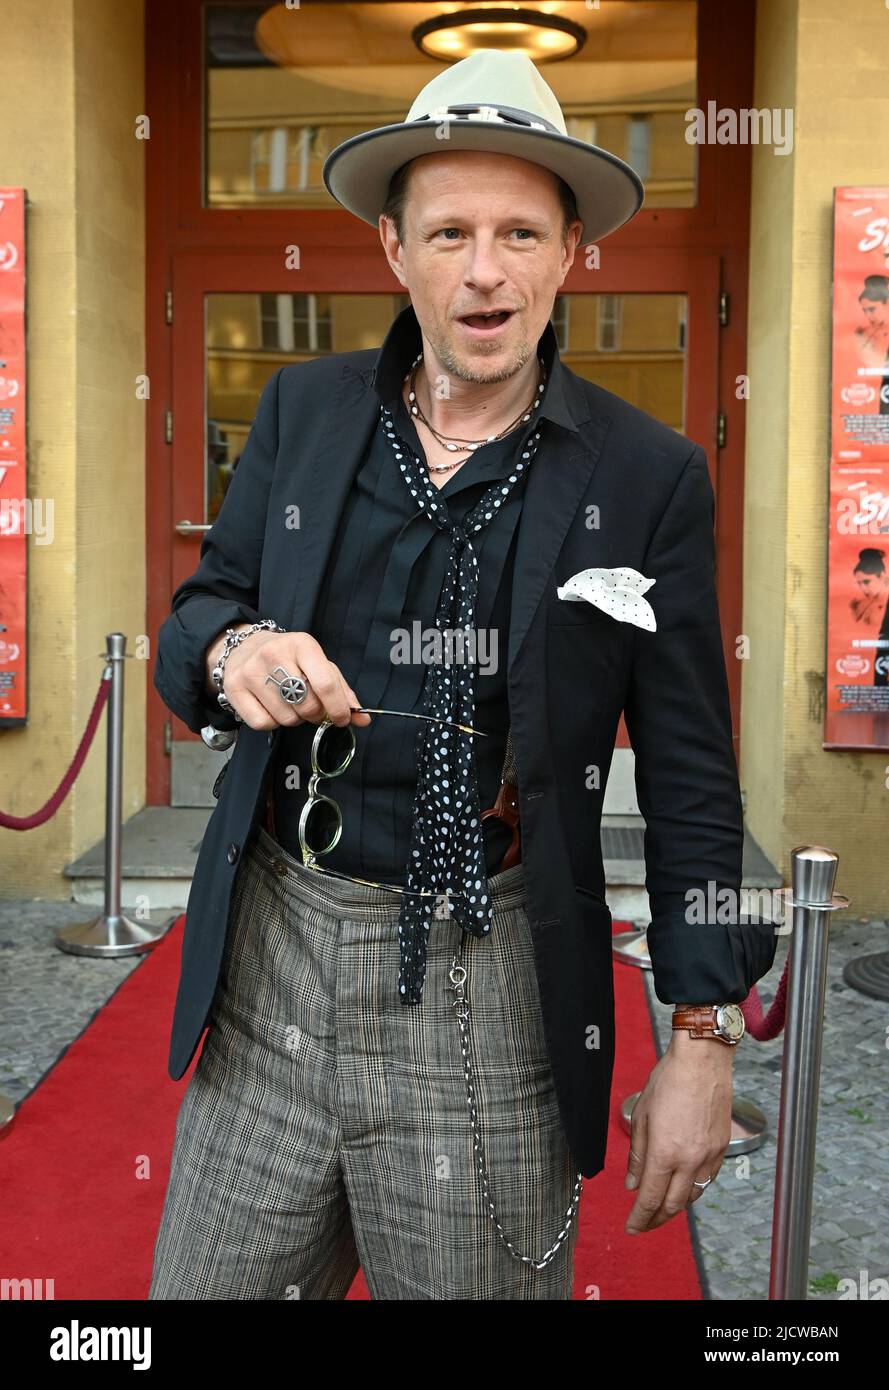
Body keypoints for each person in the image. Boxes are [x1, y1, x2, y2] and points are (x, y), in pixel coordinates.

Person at [149, 49, 777, 1301]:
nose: (482, 269)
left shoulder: (646, 477)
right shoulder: (303, 412)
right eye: (447, 231)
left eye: (517, 233)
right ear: (394, 250)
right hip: (273, 955)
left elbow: (696, 772)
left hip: (489, 979)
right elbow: (196, 614)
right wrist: (234, 652)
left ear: (568, 254)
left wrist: (701, 1034)